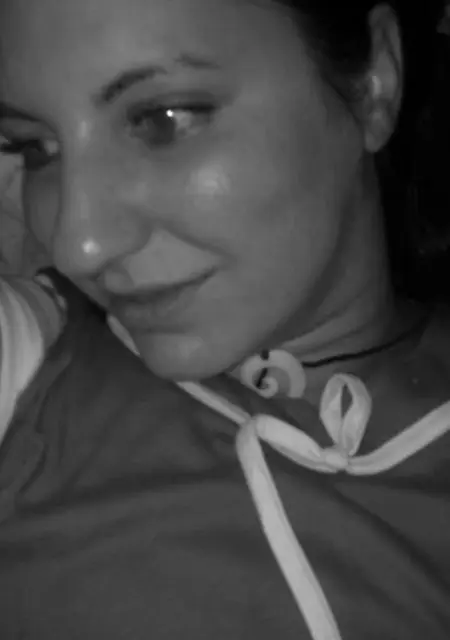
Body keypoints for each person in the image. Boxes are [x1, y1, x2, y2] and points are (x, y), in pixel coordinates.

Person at [0, 0, 449, 638]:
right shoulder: (32, 364)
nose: (78, 244)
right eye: (35, 148)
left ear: (375, 84)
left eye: (164, 120)